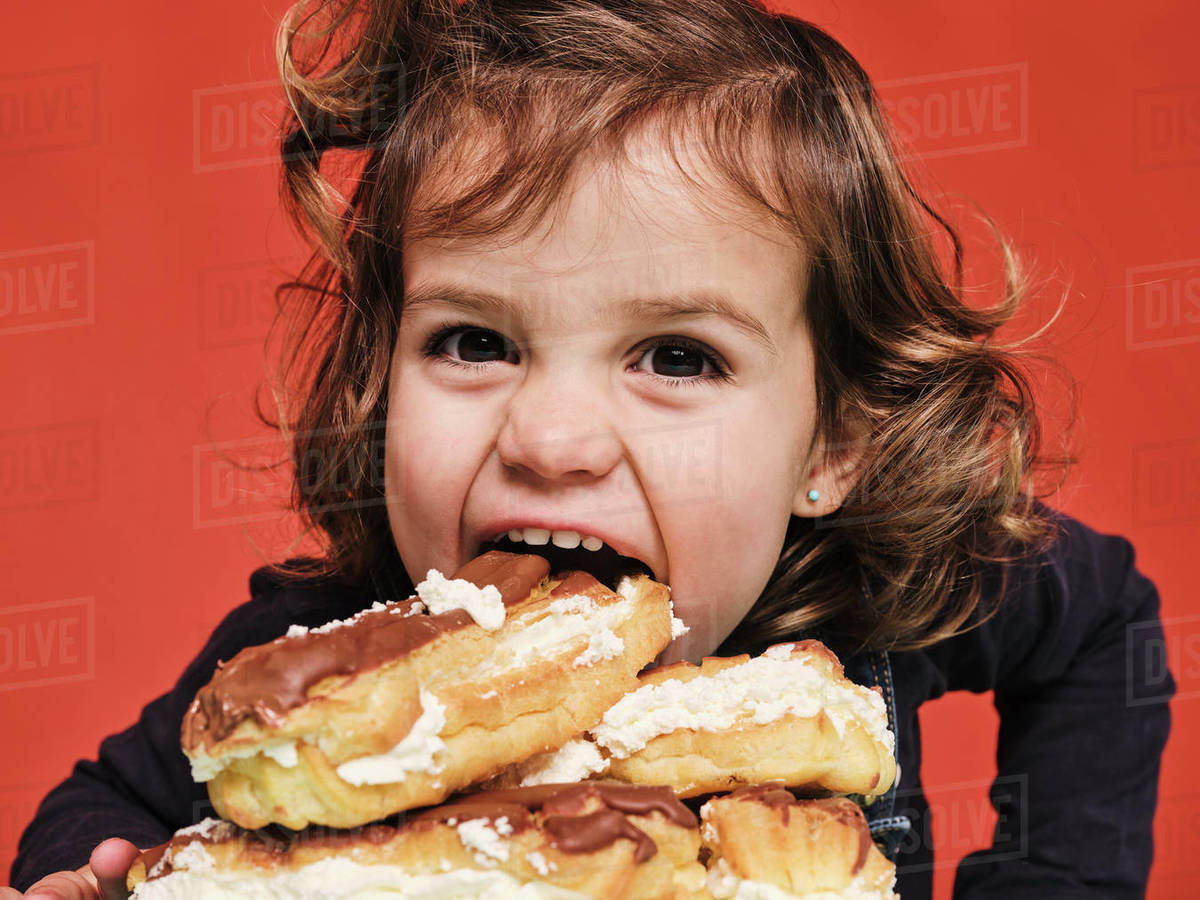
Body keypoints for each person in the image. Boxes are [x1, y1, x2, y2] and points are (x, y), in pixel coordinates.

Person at [6, 0, 1174, 897]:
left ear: (833, 445)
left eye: (676, 357)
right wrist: (89, 872)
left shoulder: (883, 599)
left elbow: (1105, 621)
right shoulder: (330, 685)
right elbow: (101, 808)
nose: (551, 439)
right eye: (474, 342)